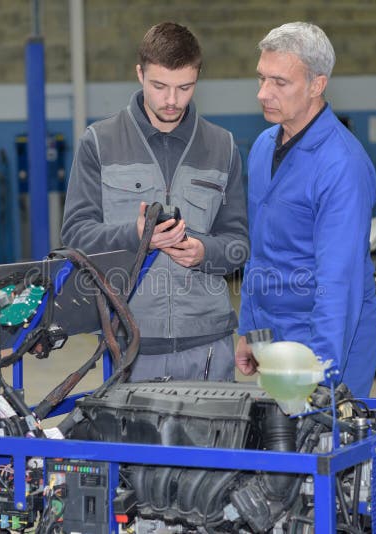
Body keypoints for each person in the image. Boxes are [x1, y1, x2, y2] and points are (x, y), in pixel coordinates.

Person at [61, 22, 248, 382]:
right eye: (159, 86)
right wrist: (134, 235)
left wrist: (203, 252)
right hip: (132, 345)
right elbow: (75, 237)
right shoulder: (99, 142)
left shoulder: (222, 146)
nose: (172, 100)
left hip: (208, 346)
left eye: (185, 87)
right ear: (140, 73)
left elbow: (238, 244)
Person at [234, 22, 376, 397]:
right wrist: (250, 331)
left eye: (279, 82)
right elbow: (259, 255)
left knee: (324, 452)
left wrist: (321, 373)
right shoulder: (265, 147)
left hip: (325, 343)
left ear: (317, 85)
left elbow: (339, 284)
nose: (263, 93)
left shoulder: (341, 165)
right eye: (262, 78)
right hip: (274, 338)